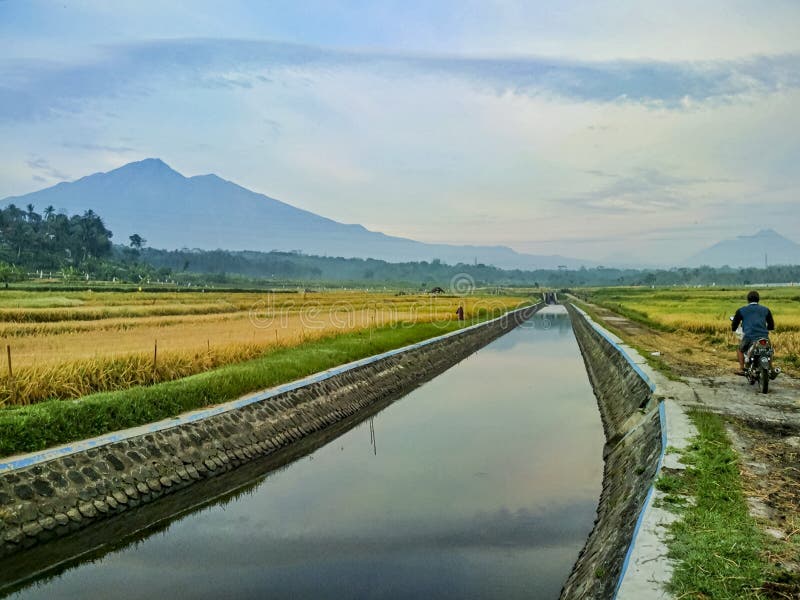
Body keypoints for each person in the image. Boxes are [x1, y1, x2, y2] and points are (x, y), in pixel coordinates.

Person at [731, 290, 774, 375]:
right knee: (769, 350)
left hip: (749, 337)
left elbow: (734, 324)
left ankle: (742, 368)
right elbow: (771, 325)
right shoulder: (766, 310)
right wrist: (767, 328)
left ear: (748, 300)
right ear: (758, 299)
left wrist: (734, 328)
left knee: (740, 350)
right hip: (764, 337)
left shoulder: (741, 310)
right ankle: (771, 367)